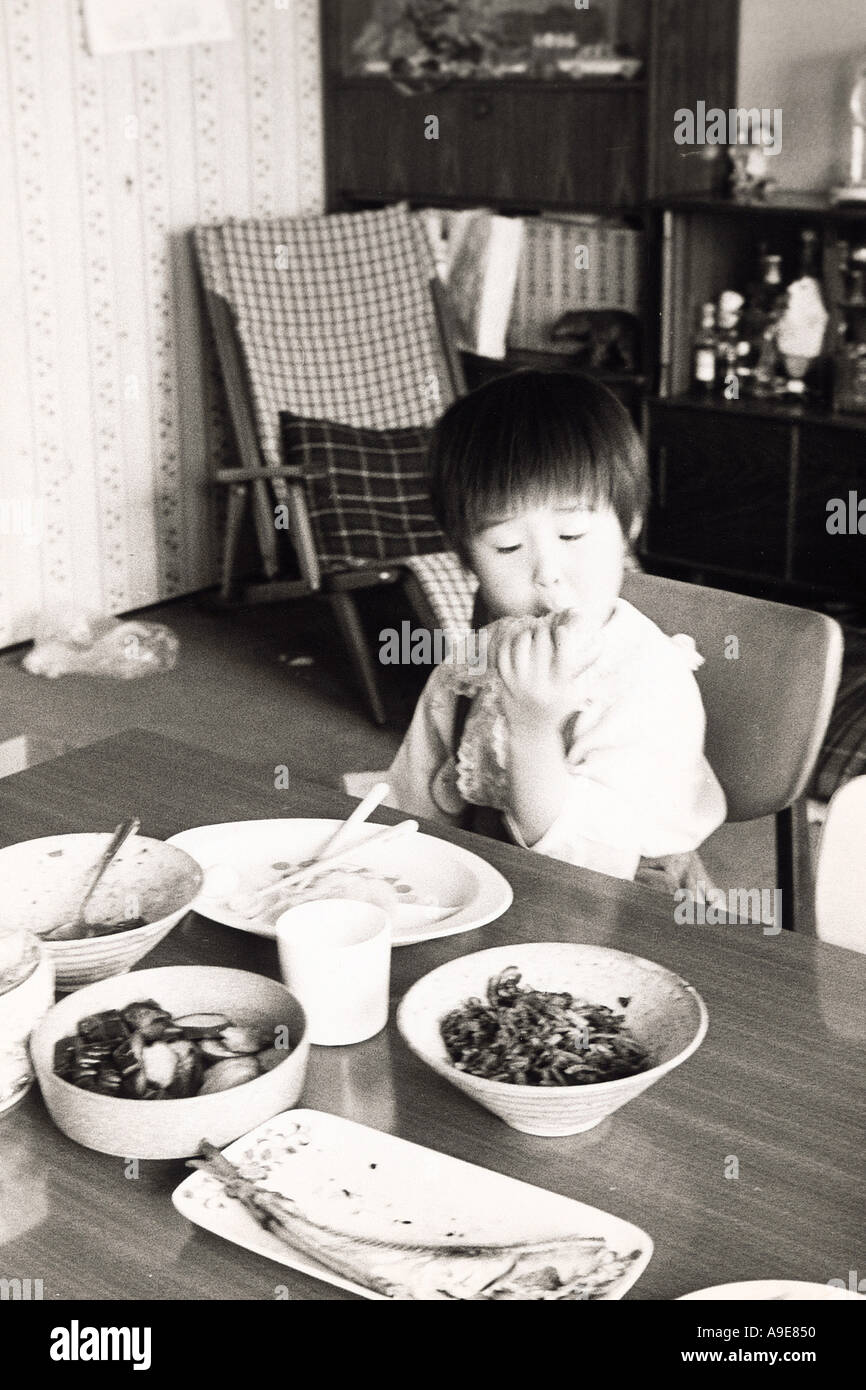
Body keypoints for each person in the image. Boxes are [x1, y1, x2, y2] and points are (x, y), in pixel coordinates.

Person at [385, 371, 726, 890]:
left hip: (630, 904)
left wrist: (533, 726)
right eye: (507, 547)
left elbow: (585, 870)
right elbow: (413, 811)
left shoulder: (647, 679)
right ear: (466, 561)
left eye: (572, 534)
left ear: (628, 525)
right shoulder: (466, 668)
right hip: (497, 885)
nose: (547, 570)